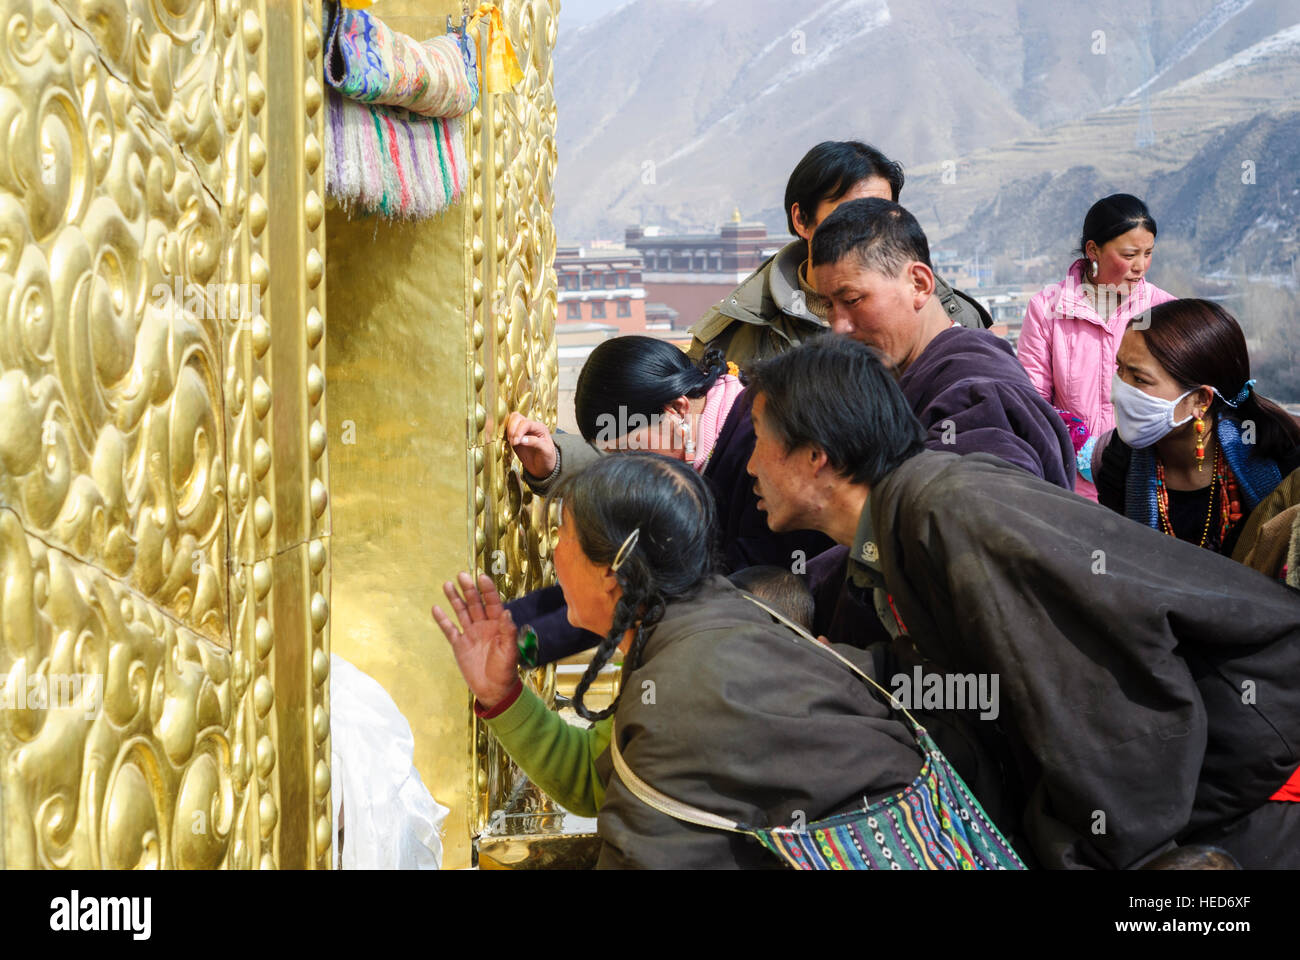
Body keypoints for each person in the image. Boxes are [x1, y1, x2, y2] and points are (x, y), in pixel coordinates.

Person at [744, 334, 1300, 870]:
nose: (749, 465)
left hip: (1244, 770)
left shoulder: (947, 512)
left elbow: (1100, 701)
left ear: (815, 454)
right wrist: (852, 671)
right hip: (1190, 782)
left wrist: (1104, 857)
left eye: (758, 437)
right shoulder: (901, 525)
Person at [430, 454, 924, 868]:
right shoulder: (705, 620)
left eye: (564, 535)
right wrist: (502, 696)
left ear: (612, 573)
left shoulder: (677, 693)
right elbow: (598, 781)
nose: (554, 552)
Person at [504, 336, 832, 664]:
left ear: (676, 409)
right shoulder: (712, 440)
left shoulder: (757, 457)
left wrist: (519, 644)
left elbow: (661, 591)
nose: (631, 469)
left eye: (630, 450)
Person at [686, 141, 989, 366]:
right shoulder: (736, 331)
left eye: (883, 212)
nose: (870, 229)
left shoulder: (956, 318)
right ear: (801, 220)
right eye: (850, 213)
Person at [1093, 299, 1300, 556]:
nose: (1119, 391)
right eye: (1119, 369)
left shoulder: (1279, 456)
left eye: (1139, 379)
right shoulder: (1119, 459)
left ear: (1201, 400)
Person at [1017, 194, 1176, 499]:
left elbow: (1178, 398)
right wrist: (1078, 445)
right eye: (1129, 255)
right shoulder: (1048, 309)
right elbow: (1031, 400)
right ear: (1093, 250)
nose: (1140, 266)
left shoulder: (1165, 310)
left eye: (1148, 253)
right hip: (1070, 484)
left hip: (1147, 482)